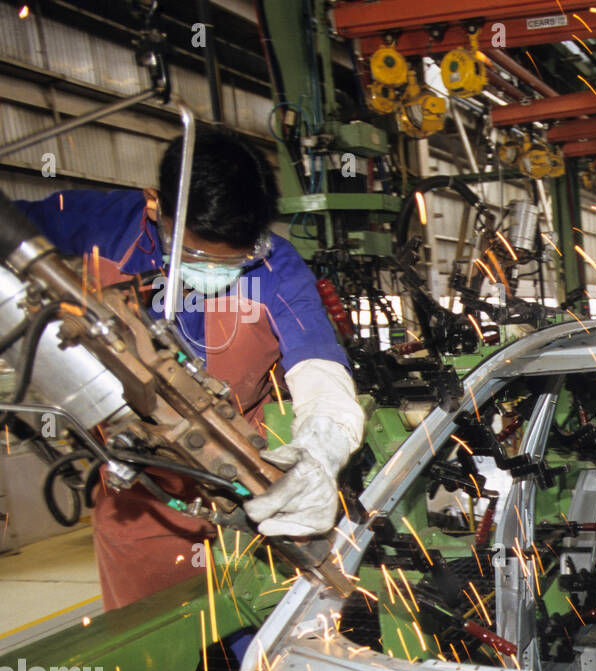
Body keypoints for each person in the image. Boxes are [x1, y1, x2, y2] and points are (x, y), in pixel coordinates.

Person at [15, 126, 364, 610]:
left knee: (266, 625)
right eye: (199, 255)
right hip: (142, 483)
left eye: (236, 260)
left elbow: (320, 366)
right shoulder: (94, 222)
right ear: (157, 206)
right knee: (153, 644)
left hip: (250, 467)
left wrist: (320, 458)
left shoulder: (276, 265)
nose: (215, 272)